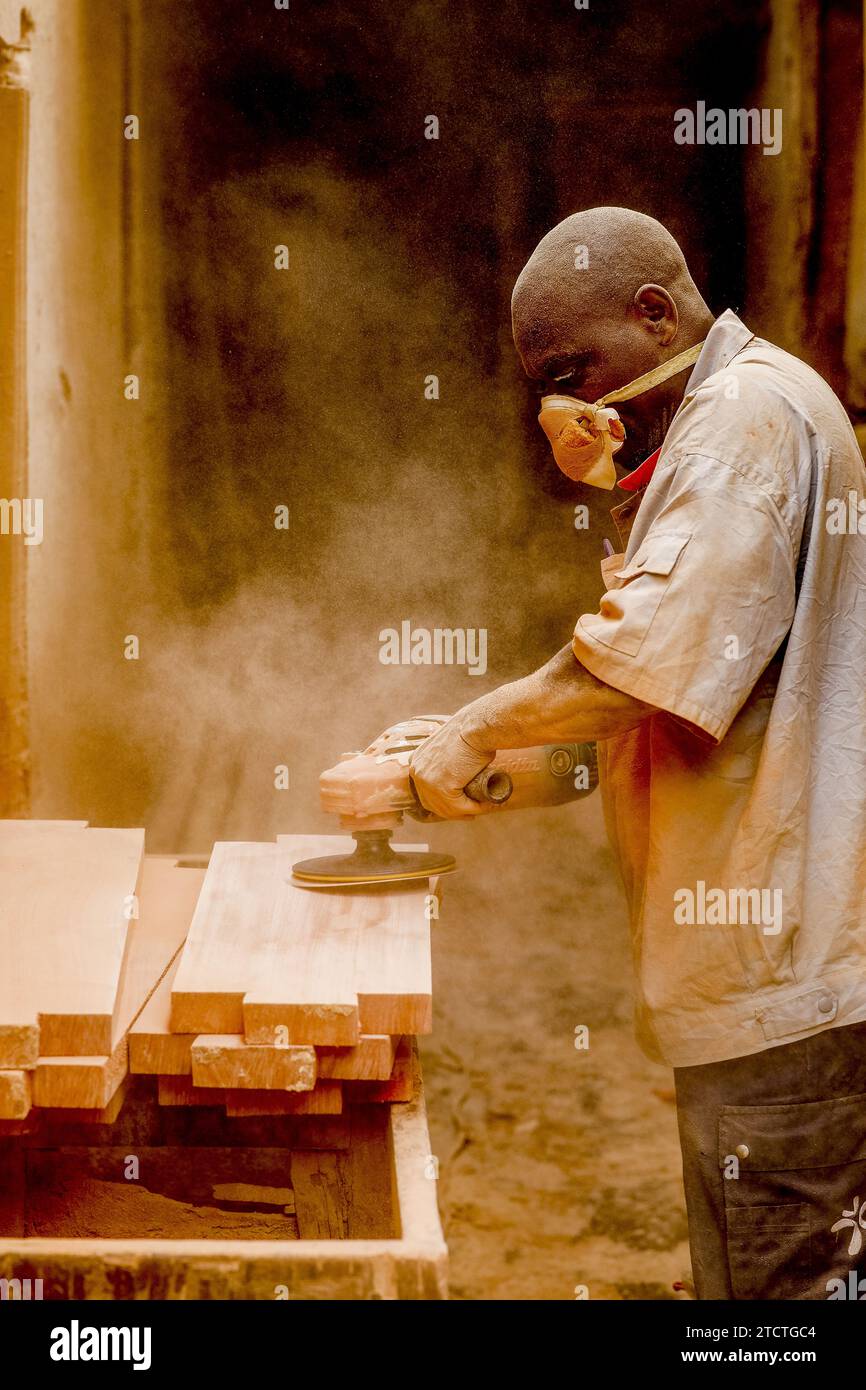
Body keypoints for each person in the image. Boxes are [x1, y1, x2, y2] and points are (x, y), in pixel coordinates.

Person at [410, 205, 866, 1301]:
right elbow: (678, 699)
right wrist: (500, 773)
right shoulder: (717, 426)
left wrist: (469, 728)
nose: (567, 404)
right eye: (546, 389)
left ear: (653, 313)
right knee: (749, 1291)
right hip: (756, 973)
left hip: (781, 975)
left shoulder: (739, 423)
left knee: (775, 1305)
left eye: (574, 368)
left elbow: (637, 665)